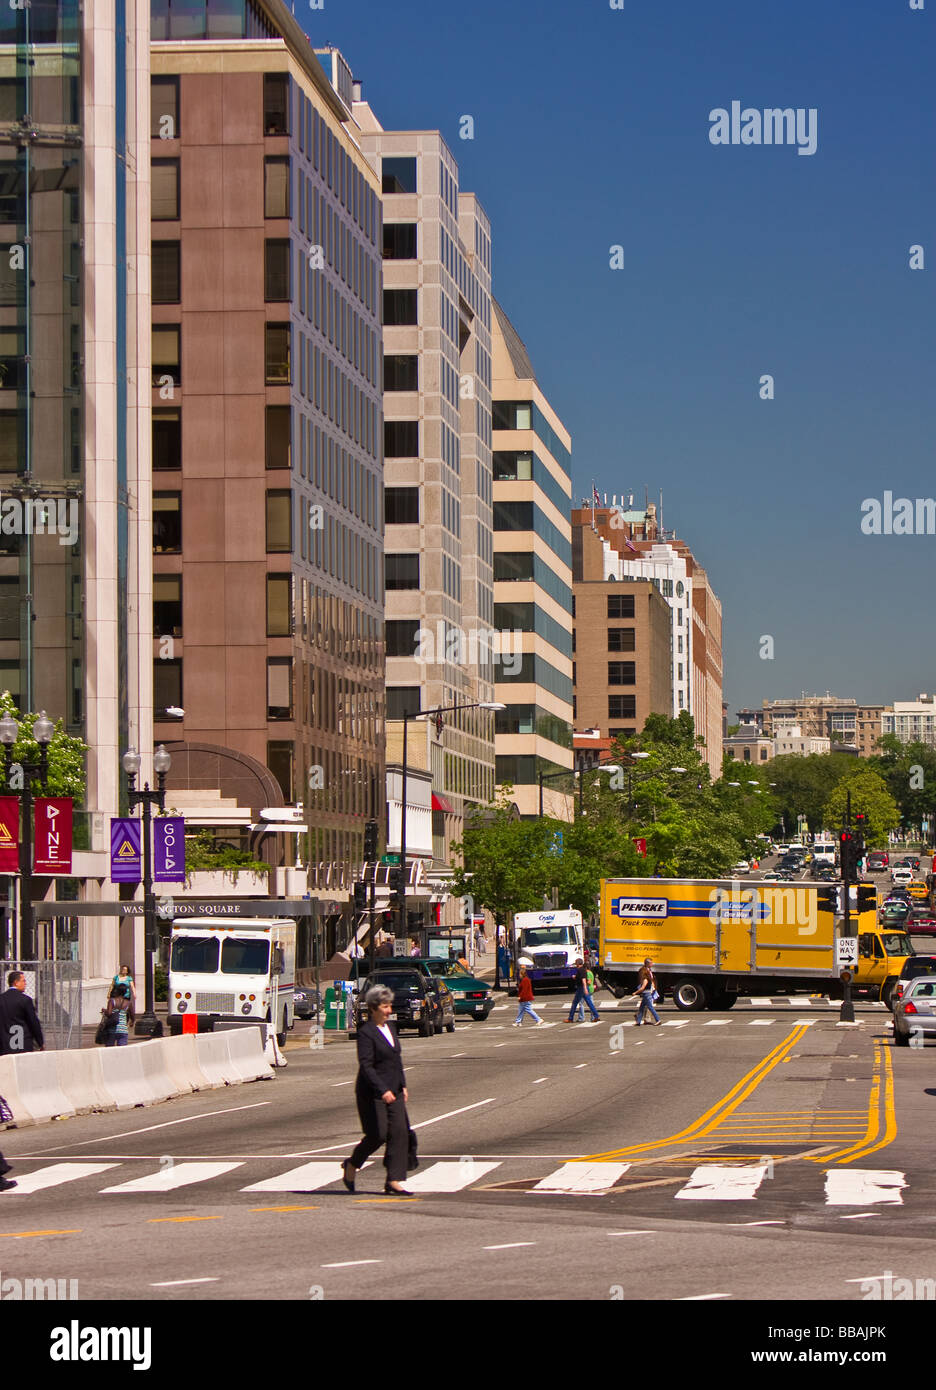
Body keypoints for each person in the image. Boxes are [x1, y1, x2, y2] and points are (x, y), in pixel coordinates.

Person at [342, 985, 412, 1195]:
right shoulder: (366, 1033)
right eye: (385, 1006)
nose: (389, 1010)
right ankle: (352, 1164)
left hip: (395, 1088)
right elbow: (366, 1066)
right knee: (378, 1134)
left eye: (390, 1006)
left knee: (399, 1133)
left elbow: (395, 1059)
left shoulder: (390, 1028)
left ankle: (393, 1179)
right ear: (373, 1008)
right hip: (372, 1092)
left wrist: (403, 1085)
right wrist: (382, 1090)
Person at [0, 970, 44, 1054]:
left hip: (4, 1044)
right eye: (23, 981)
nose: (25, 983)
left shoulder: (1, 999)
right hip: (22, 1044)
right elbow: (33, 1022)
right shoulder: (25, 1000)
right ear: (16, 982)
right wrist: (40, 1042)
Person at [568, 958, 601, 1024]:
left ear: (578, 963)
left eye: (576, 963)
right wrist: (576, 977)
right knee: (589, 1003)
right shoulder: (583, 970)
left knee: (575, 1003)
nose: (575, 964)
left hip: (581, 988)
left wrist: (585, 988)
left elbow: (583, 979)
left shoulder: (580, 970)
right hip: (583, 988)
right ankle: (596, 1016)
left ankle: (570, 1018)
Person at [634, 958, 661, 1026]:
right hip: (646, 992)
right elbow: (643, 985)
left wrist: (635, 993)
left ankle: (658, 1020)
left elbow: (646, 985)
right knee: (644, 1007)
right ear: (647, 963)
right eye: (651, 963)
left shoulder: (648, 971)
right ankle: (638, 1021)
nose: (652, 964)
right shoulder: (644, 971)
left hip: (647, 992)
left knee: (647, 1007)